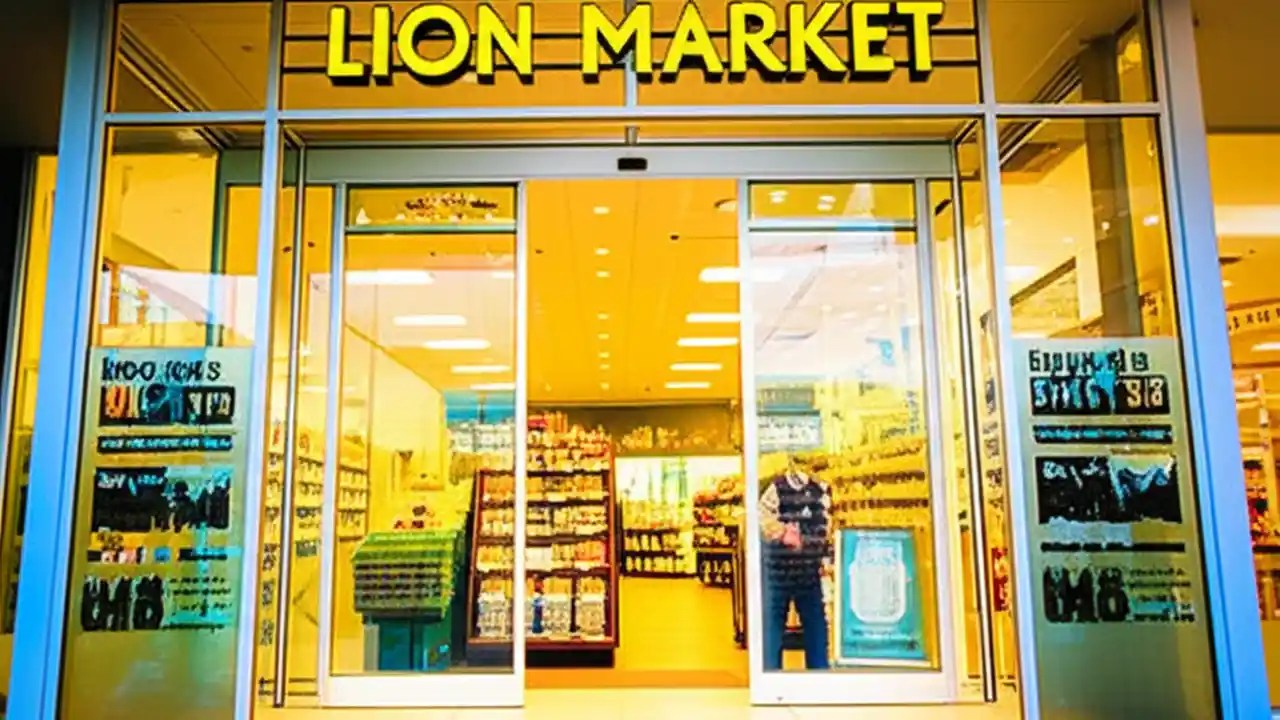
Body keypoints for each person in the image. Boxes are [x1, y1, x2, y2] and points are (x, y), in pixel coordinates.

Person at [760, 455, 831, 670]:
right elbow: (762, 519)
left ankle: (818, 675)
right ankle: (771, 674)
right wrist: (781, 533)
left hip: (807, 571)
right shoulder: (775, 488)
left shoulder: (820, 490)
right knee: (774, 627)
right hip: (779, 572)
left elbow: (825, 527)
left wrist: (804, 542)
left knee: (815, 625)